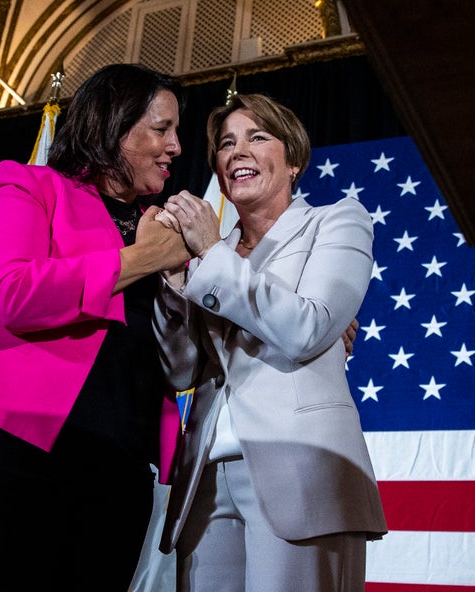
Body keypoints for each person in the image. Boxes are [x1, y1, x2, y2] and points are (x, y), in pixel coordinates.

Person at [0, 63, 193, 591]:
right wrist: (137, 260)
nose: (175, 146)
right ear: (114, 128)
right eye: (161, 129)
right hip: (4, 440)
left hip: (118, 463)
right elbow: (10, 294)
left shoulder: (165, 231)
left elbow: (181, 361)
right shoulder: (28, 184)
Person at [153, 93, 387, 591]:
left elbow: (308, 328)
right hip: (206, 480)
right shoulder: (207, 259)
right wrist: (175, 282)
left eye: (257, 137)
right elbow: (181, 371)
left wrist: (213, 254)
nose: (238, 151)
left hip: (302, 472)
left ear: (293, 159)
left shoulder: (338, 221)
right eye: (226, 143)